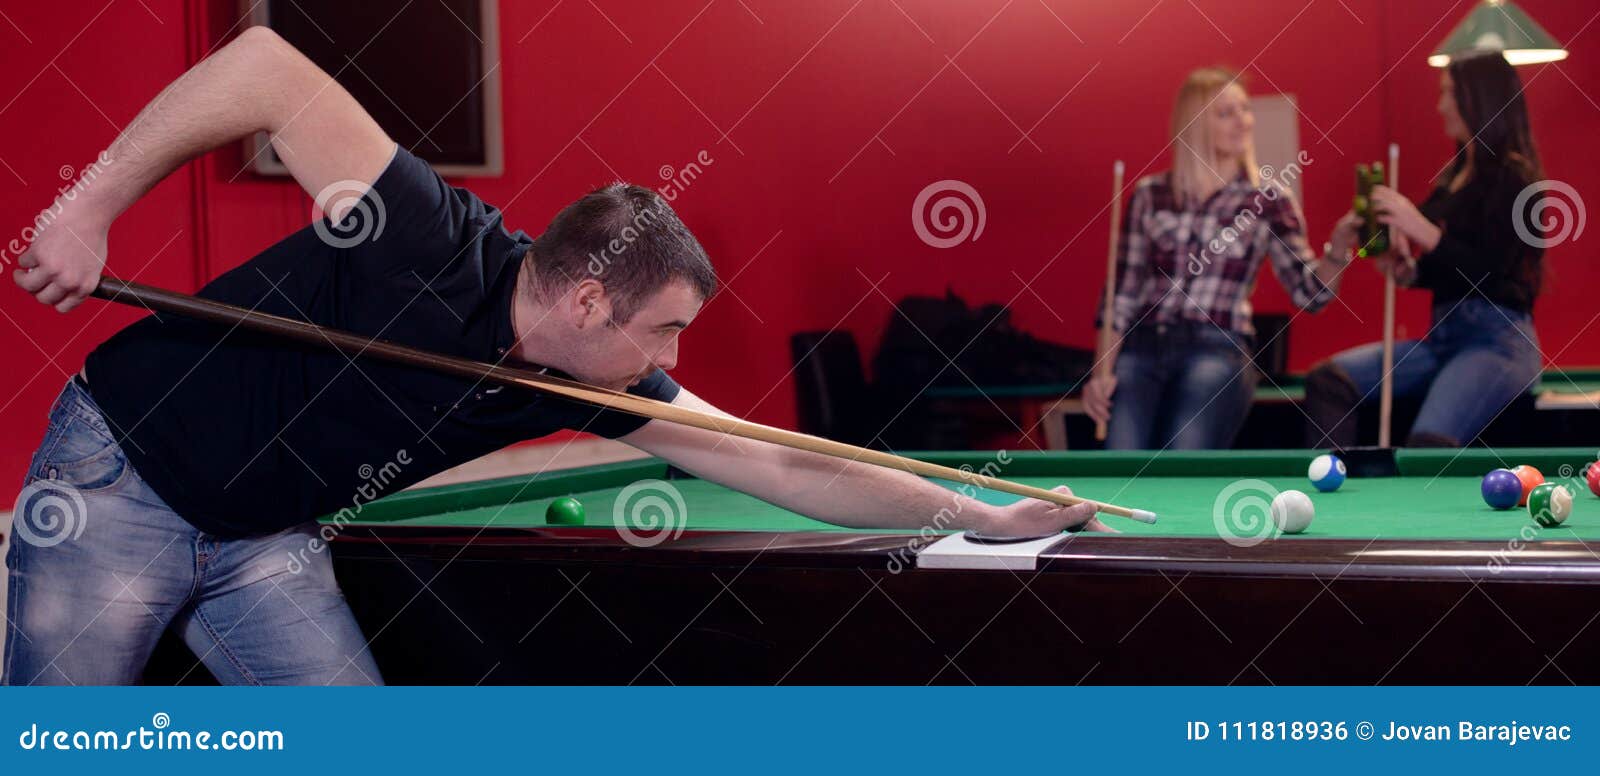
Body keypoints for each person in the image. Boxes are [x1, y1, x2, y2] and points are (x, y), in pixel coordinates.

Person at [4, 27, 1108, 687]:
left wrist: (979, 511)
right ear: (589, 298)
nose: (675, 355)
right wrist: (87, 206)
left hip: (261, 535)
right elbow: (260, 64)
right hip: (122, 486)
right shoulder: (419, 232)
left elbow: (785, 464)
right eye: (665, 328)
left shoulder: (592, 367)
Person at [1084, 68, 1360, 450]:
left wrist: (1340, 249)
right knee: (1121, 456)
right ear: (1195, 123)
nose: (1242, 121)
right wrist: (1101, 373)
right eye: (1225, 112)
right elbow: (1121, 296)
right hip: (1143, 346)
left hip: (1217, 347)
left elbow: (1310, 294)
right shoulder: (1151, 195)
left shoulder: (1268, 199)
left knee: (1183, 452)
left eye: (1245, 110)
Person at [1303, 52, 1546, 449]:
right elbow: (1449, 268)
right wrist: (1407, 271)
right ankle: (1335, 485)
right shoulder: (1454, 178)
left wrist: (1418, 225)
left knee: (1428, 443)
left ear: (1477, 98)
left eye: (1449, 93)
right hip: (1443, 339)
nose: (1441, 105)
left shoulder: (1517, 179)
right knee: (1329, 380)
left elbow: (1493, 274)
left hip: (1499, 343)